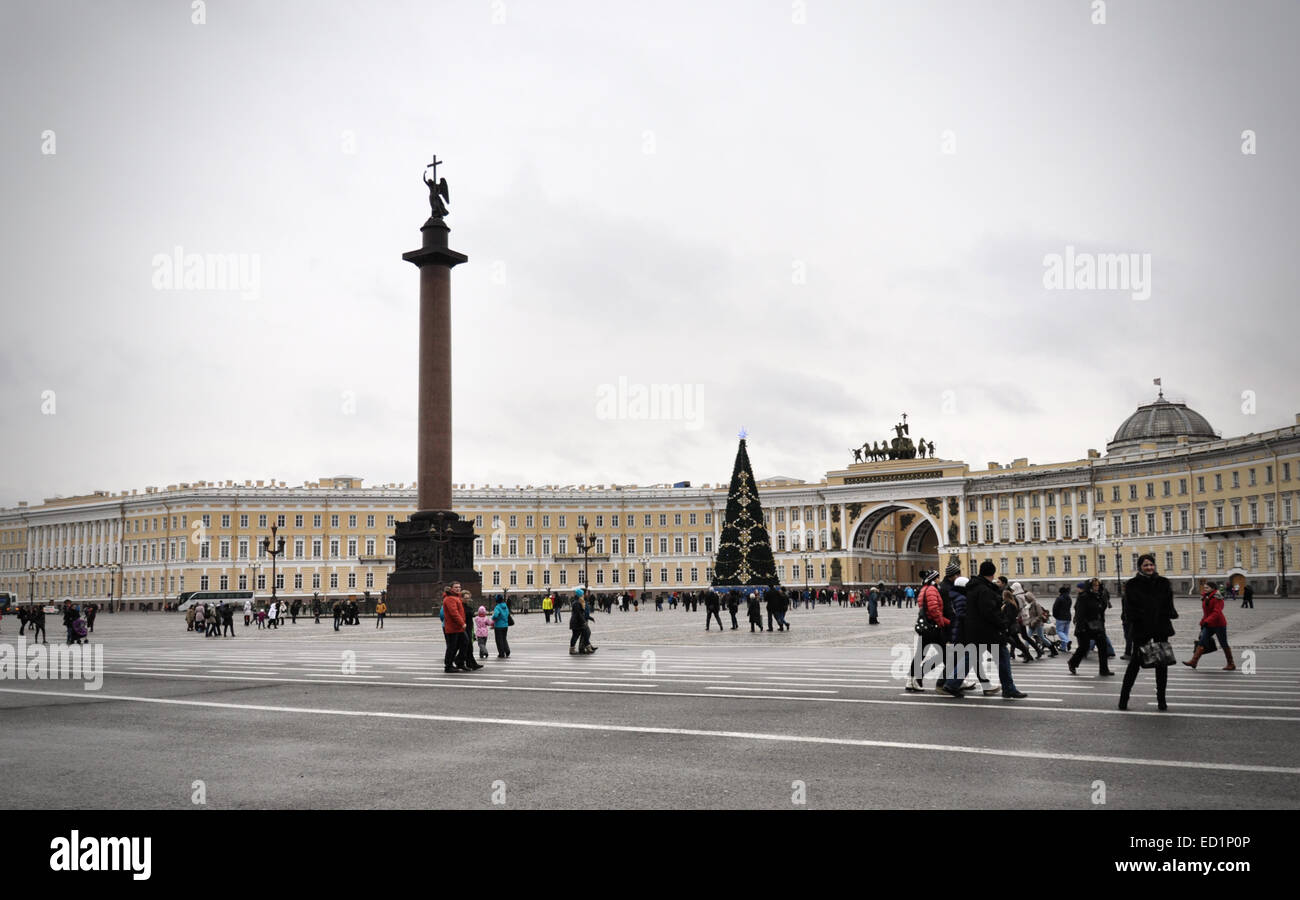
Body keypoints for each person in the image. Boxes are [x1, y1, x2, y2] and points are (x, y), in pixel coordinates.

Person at [1119, 553, 1178, 711]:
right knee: (1134, 664)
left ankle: (1162, 700)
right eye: (1145, 565)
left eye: (1151, 564)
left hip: (1160, 628)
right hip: (1141, 629)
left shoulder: (1163, 583)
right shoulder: (1132, 584)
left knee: (1162, 664)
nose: (1149, 567)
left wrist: (1164, 615)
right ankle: (1124, 698)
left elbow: (1168, 604)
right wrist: (1141, 618)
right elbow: (1129, 608)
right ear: (1140, 567)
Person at [965, 561, 1027, 699]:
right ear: (992, 573)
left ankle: (951, 684)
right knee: (1003, 656)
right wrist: (1002, 623)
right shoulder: (984, 589)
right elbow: (989, 612)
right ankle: (1008, 689)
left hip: (977, 629)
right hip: (989, 630)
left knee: (971, 658)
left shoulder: (973, 587)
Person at [908, 570, 954, 695]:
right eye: (938, 578)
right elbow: (934, 609)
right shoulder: (932, 590)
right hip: (933, 627)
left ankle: (911, 680)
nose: (939, 580)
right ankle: (950, 682)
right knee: (945, 655)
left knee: (920, 655)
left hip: (926, 627)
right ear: (934, 579)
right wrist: (942, 622)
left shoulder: (924, 589)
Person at [1067, 579, 1115, 677]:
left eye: (1097, 585)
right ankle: (1072, 663)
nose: (1096, 587)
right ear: (1089, 587)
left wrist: (1102, 622)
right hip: (1086, 626)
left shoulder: (1100, 596)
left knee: (1103, 647)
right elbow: (1079, 613)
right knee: (1084, 647)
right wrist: (1080, 628)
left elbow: (1101, 611)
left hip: (1098, 625)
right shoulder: (1083, 597)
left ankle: (1104, 670)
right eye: (1094, 586)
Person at [1184, 580, 1235, 671]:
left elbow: (1217, 612)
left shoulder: (1217, 598)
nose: (1205, 589)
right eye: (1204, 587)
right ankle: (1194, 661)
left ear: (1213, 588)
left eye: (1207, 588)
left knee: (1223, 643)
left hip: (1219, 624)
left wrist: (1207, 621)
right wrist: (1203, 622)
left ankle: (1231, 663)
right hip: (1208, 624)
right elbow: (1206, 612)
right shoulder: (1205, 597)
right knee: (1202, 641)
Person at [442, 584, 469, 672]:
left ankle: (459, 662)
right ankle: (448, 666)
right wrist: (462, 623)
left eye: (459, 587)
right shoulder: (450, 598)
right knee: (452, 647)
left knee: (465, 642)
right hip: (453, 627)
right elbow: (454, 613)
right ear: (451, 588)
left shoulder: (456, 597)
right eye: (456, 587)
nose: (458, 589)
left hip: (458, 627)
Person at [1052, 585, 1072, 652]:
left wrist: (1055, 616)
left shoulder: (1059, 598)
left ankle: (1067, 641)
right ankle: (1063, 648)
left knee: (1059, 631)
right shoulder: (1069, 598)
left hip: (1060, 618)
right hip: (1068, 618)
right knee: (1065, 633)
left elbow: (1055, 608)